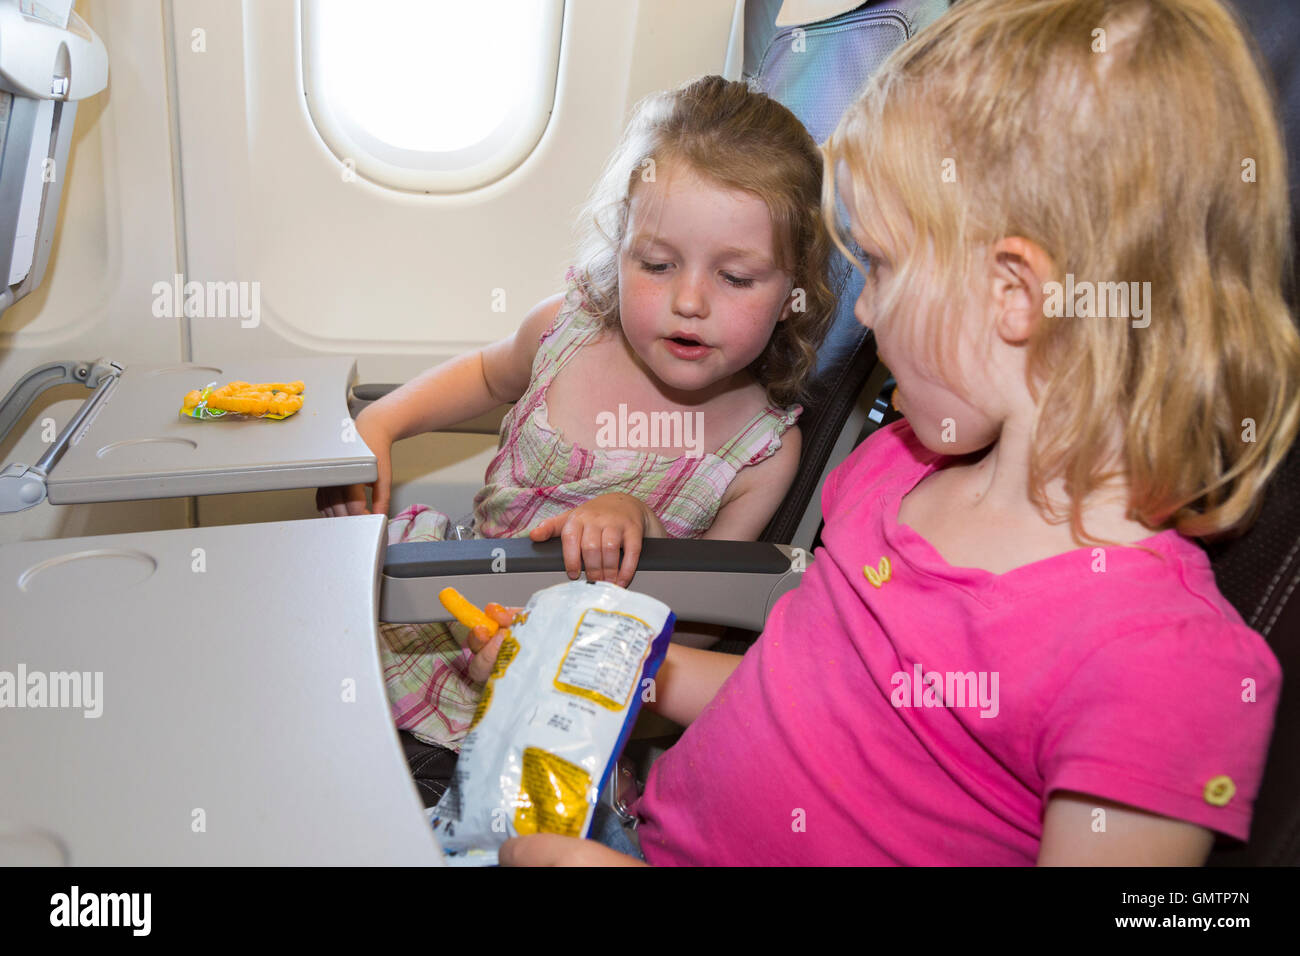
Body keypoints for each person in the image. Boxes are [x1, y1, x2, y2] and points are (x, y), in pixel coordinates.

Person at [494, 0, 1300, 865]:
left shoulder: (1157, 666)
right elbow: (797, 698)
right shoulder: (895, 472)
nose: (864, 310)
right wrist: (604, 662)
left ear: (1015, 294)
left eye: (877, 266)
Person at [317, 75, 837, 752]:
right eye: (656, 263)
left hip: (563, 692)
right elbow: (481, 373)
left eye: (735, 278)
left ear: (794, 291)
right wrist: (379, 425)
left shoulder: (760, 451)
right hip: (442, 608)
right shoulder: (566, 332)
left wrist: (643, 530)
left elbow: (710, 615)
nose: (689, 300)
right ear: (619, 248)